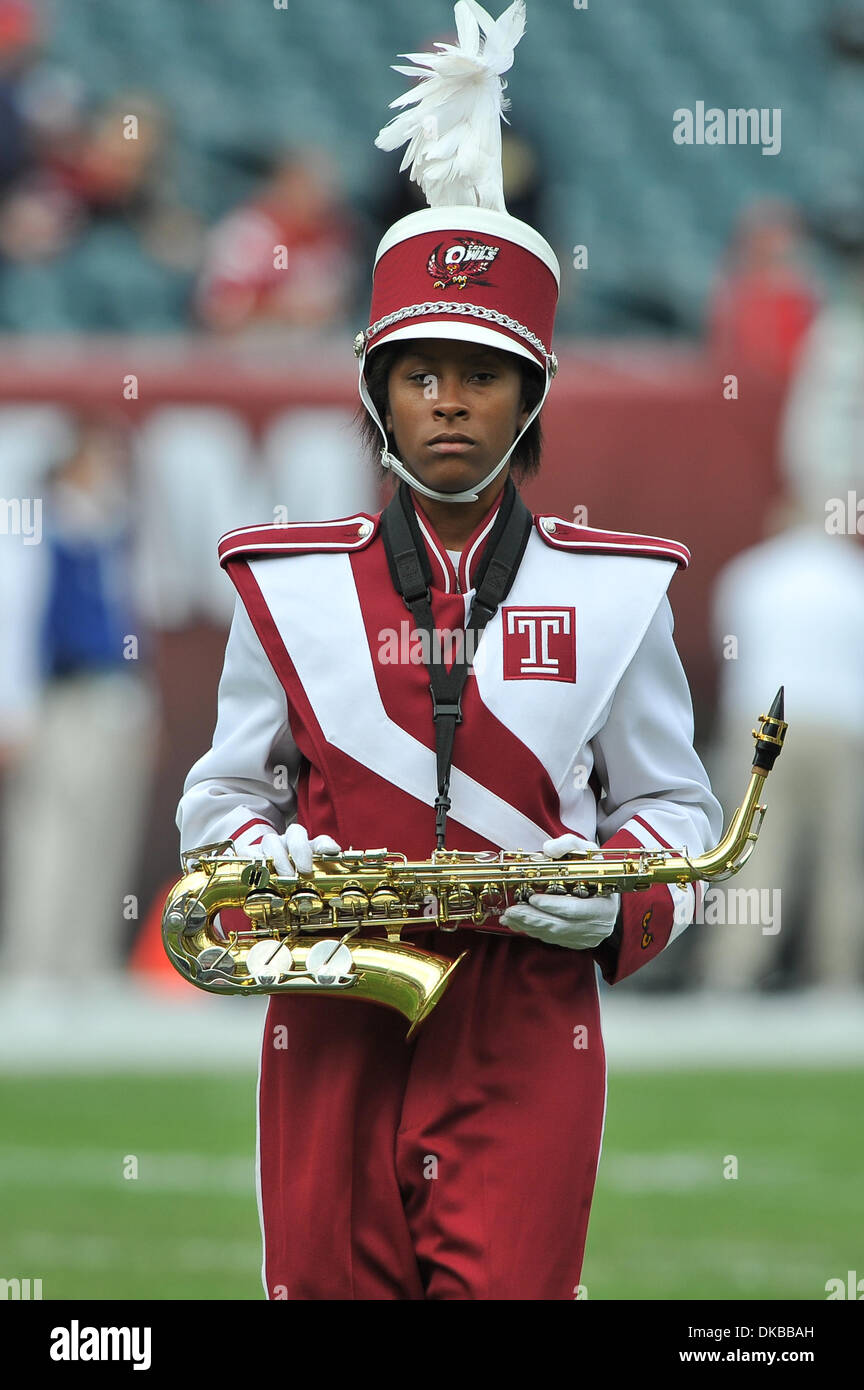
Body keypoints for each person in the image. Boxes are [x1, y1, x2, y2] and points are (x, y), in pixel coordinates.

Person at [176, 0, 722, 1300]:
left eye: (481, 376)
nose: (449, 402)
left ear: (530, 395)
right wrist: (262, 854)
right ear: (378, 393)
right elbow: (221, 795)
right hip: (333, 1016)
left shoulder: (618, 593)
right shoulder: (287, 586)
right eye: (420, 374)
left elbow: (674, 806)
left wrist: (622, 895)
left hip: (528, 1021)